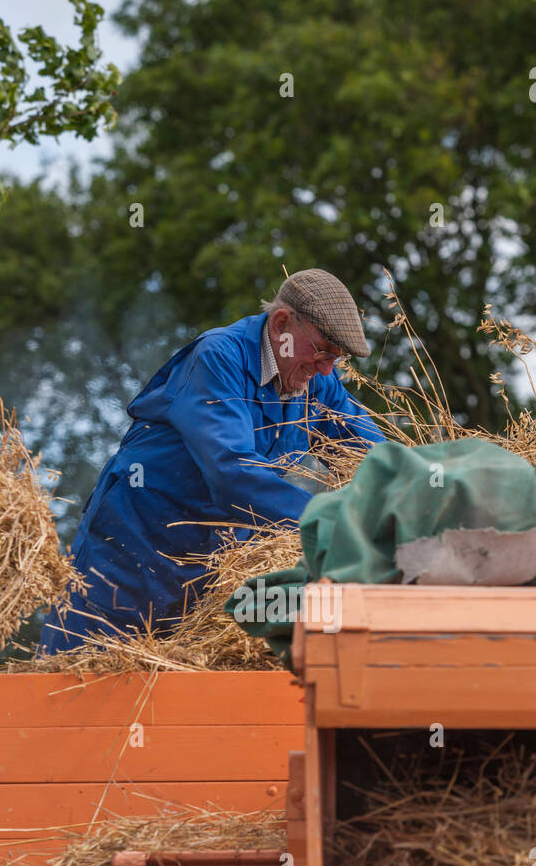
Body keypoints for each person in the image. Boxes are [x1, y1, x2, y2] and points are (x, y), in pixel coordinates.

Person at [40, 269, 385, 652]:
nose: (326, 368)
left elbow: (369, 455)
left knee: (189, 699)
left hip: (209, 568)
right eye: (321, 350)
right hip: (132, 553)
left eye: (335, 358)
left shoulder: (316, 381)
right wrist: (332, 526)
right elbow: (232, 473)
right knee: (81, 681)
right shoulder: (219, 357)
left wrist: (409, 500)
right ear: (282, 324)